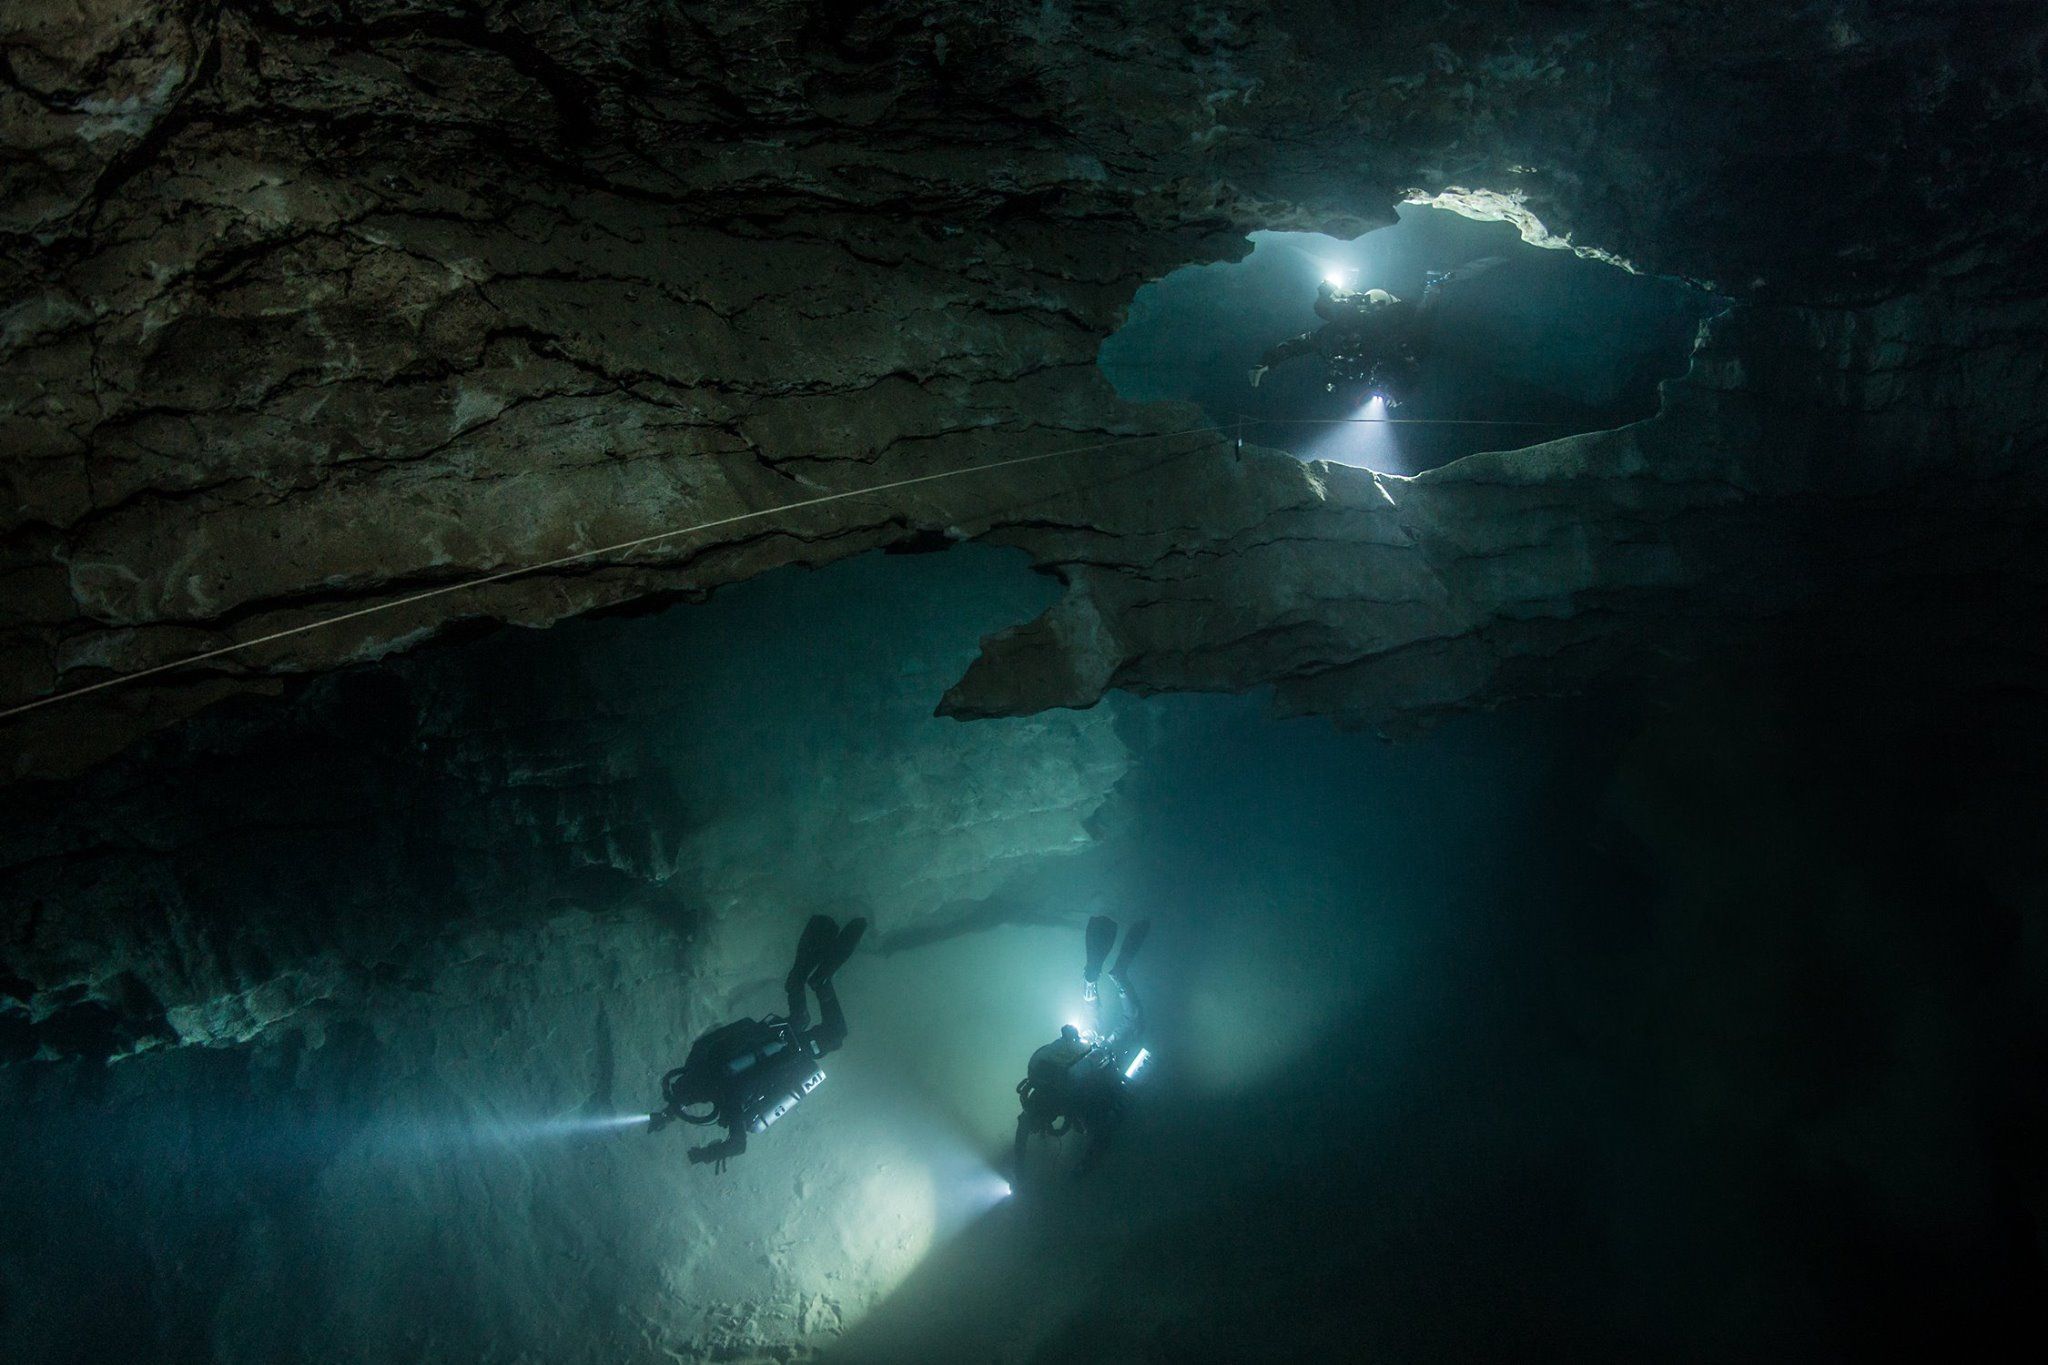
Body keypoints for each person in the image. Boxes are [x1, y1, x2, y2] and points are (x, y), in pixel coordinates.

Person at [649, 914, 867, 1170]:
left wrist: (708, 1153)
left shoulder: (728, 1102)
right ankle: (807, 966)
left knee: (834, 1033)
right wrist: (667, 1114)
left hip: (793, 1051)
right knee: (801, 1014)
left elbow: (737, 1144)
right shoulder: (699, 1066)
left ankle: (821, 981)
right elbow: (686, 1094)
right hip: (776, 1035)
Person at [1248, 258, 1505, 401]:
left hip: (1399, 329)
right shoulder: (1333, 334)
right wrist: (1266, 363)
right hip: (1399, 336)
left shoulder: (1348, 324)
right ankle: (1433, 286)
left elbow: (1299, 343)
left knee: (1415, 331)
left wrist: (1266, 363)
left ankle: (1433, 286)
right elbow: (1299, 344)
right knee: (1416, 333)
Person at [1014, 914, 1151, 1177]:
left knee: (1133, 1024)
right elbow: (1024, 1130)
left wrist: (1081, 1171)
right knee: (1092, 1012)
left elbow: (1101, 1138)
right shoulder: (1037, 1083)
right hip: (1079, 1042)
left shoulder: (1067, 1102)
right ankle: (1091, 979)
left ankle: (1119, 975)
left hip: (1098, 1052)